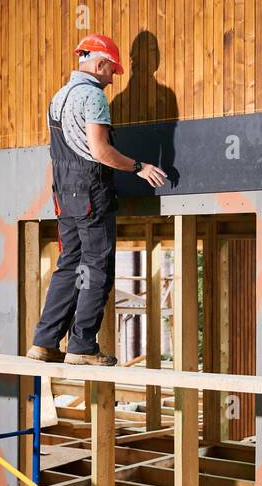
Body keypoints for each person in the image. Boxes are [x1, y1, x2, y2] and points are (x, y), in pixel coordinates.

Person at [27, 34, 168, 366]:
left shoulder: (58, 97)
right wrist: (138, 166)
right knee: (96, 268)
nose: (113, 77)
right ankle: (81, 346)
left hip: (64, 192)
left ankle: (44, 342)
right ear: (101, 63)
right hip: (90, 190)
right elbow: (101, 151)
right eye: (112, 70)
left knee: (69, 266)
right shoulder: (92, 97)